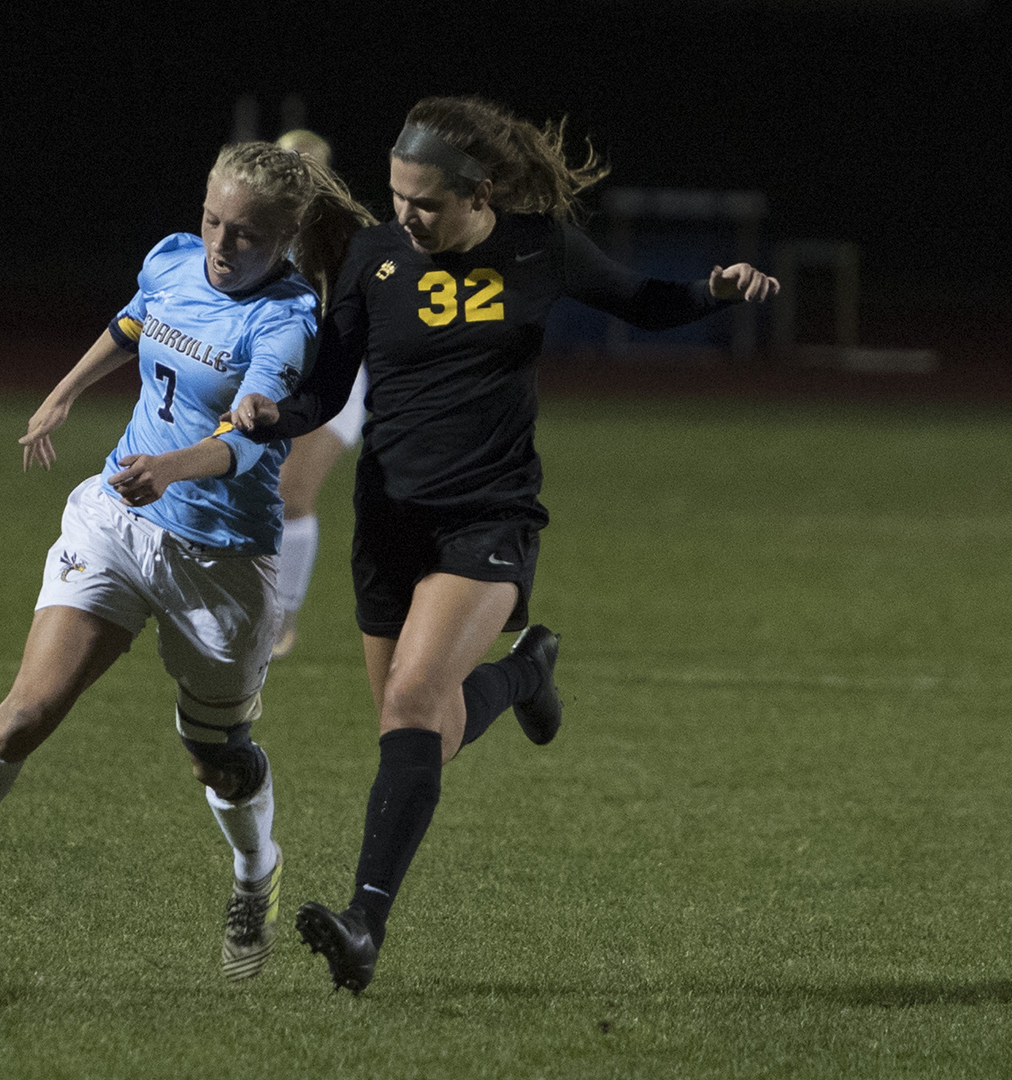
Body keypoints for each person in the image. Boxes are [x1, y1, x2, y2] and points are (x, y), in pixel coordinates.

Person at [231, 96, 779, 994]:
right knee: (420, 731)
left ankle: (365, 923)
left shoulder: (539, 246)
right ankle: (526, 674)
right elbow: (328, 391)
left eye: (426, 202)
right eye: (398, 196)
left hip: (488, 518)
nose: (405, 215)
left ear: (481, 192)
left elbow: (644, 303)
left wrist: (711, 293)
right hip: (390, 525)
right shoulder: (371, 258)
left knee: (412, 699)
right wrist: (271, 417)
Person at [0, 140, 373, 983]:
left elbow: (253, 449)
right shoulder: (175, 260)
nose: (223, 245)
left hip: (222, 563)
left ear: (288, 241)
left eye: (249, 235)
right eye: (213, 221)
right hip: (117, 519)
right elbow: (135, 318)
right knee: (24, 711)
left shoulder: (287, 321)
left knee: (215, 752)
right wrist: (65, 390)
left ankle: (255, 872)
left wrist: (174, 466)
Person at [268, 127, 368, 658]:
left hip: (335, 378)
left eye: (306, 169)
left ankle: (282, 616)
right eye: (286, 166)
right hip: (271, 377)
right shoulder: (258, 227)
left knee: (291, 491)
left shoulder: (345, 236)